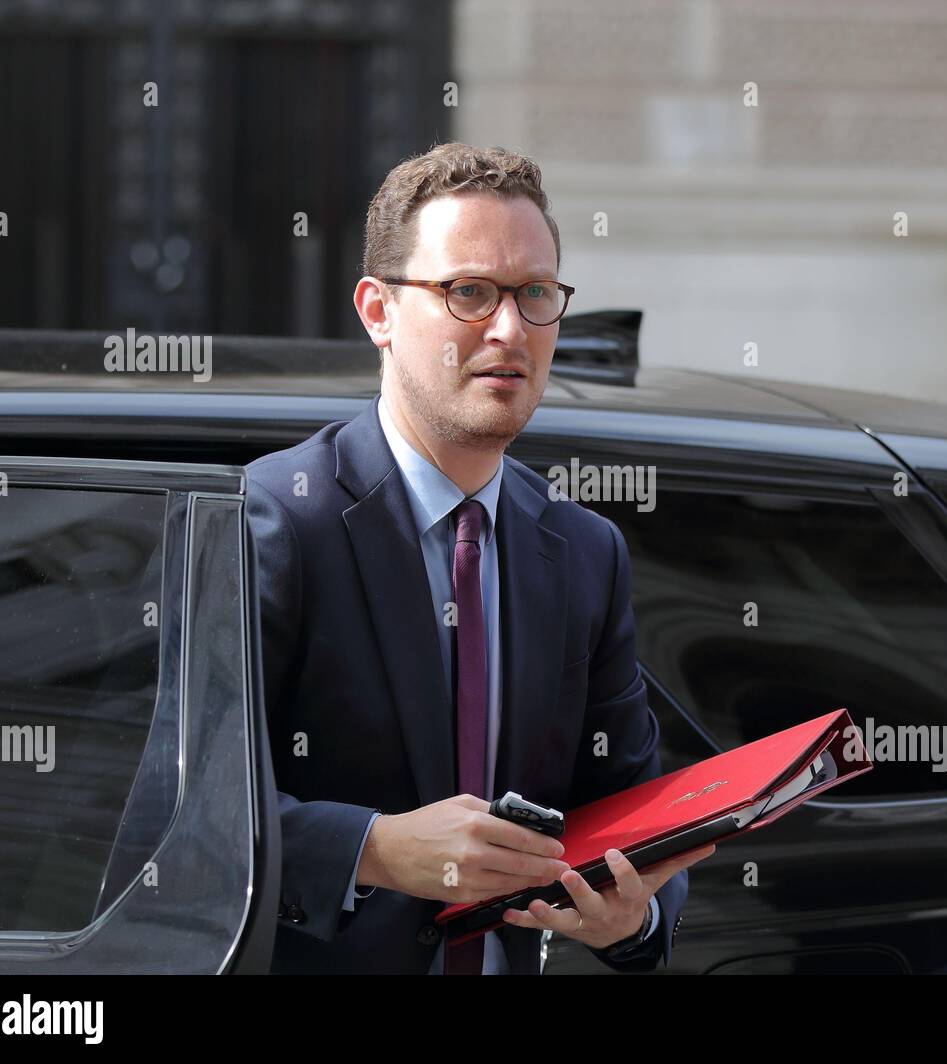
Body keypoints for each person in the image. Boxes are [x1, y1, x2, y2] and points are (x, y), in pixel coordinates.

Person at [245, 142, 715, 974]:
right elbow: (170, 810)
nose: (509, 329)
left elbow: (625, 808)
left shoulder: (584, 550)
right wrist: (375, 848)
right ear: (377, 311)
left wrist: (631, 922)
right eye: (469, 291)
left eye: (535, 292)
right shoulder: (277, 518)